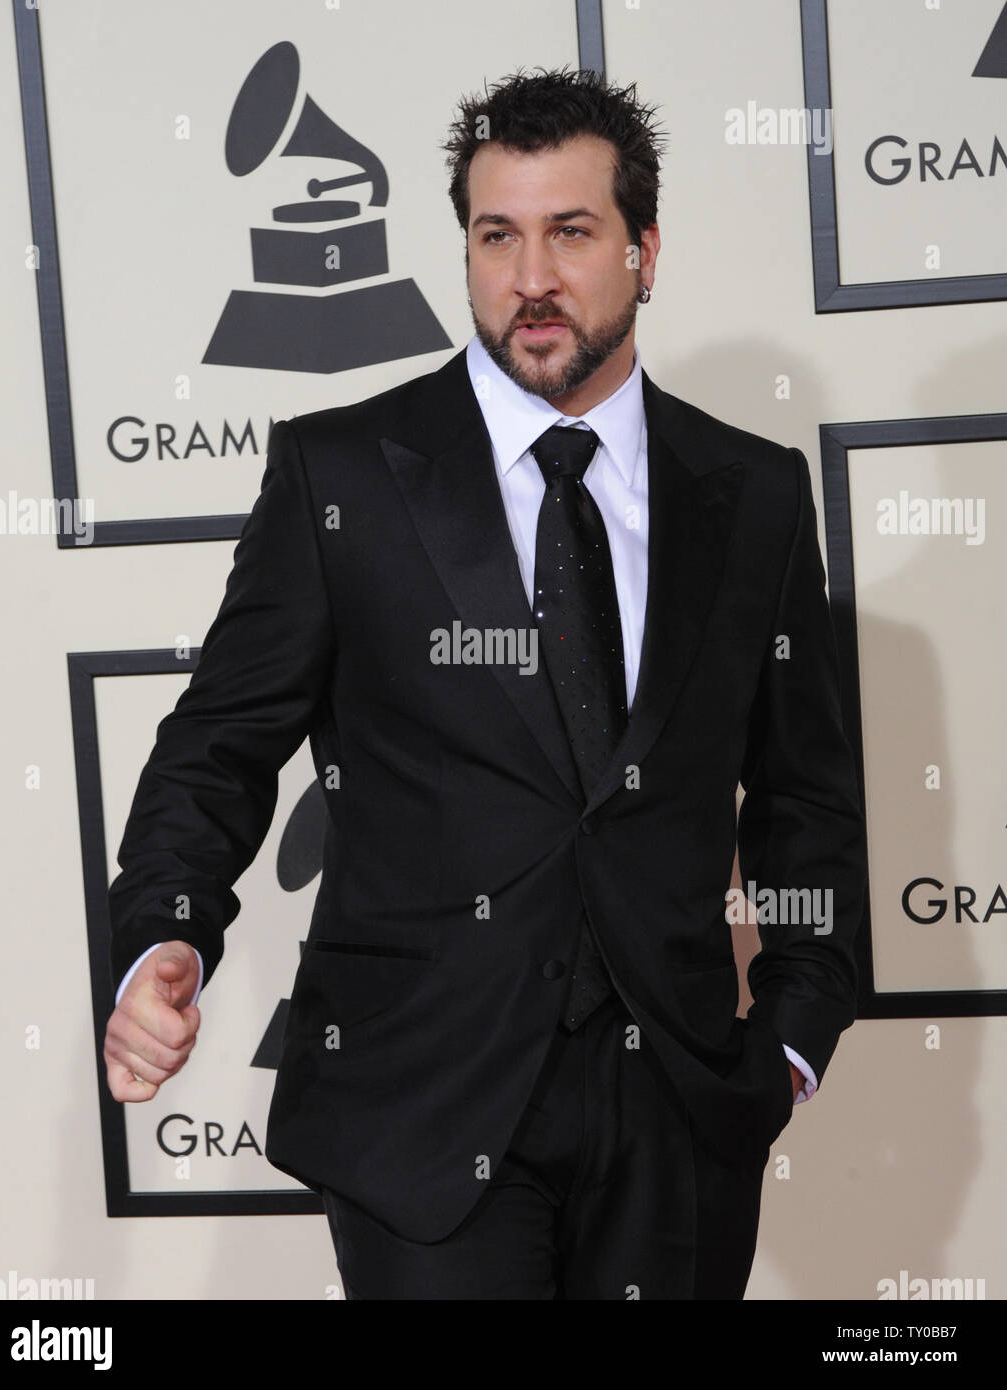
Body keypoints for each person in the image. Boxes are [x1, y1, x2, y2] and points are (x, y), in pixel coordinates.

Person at [104, 66, 867, 1300]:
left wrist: (789, 1035)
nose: (529, 279)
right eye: (494, 235)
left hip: (673, 1114)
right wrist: (161, 937)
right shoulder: (342, 474)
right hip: (421, 1108)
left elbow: (807, 799)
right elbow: (219, 745)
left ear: (644, 250)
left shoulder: (755, 494)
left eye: (570, 232)